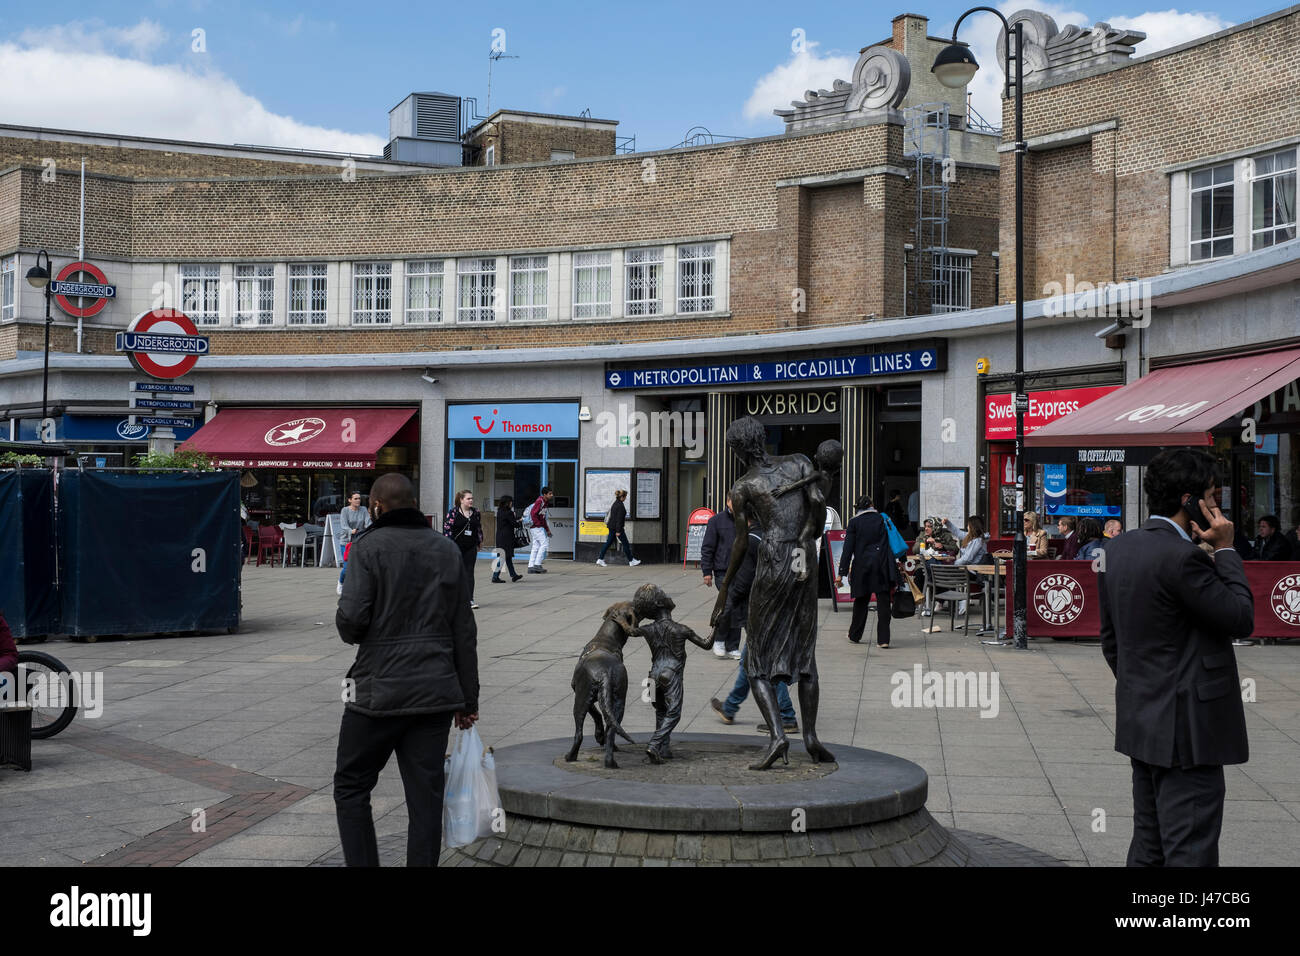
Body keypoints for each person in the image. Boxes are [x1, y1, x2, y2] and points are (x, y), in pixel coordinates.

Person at [1098, 448, 1252, 867]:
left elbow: (1111, 643)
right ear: (1190, 502)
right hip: (1189, 731)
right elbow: (1240, 617)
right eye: (1213, 496)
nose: (1218, 507)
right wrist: (1226, 551)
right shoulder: (1184, 558)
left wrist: (1146, 688)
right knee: (1189, 849)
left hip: (1142, 720)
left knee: (1149, 844)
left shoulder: (1119, 549)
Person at [333, 473, 479, 868]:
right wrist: (468, 699)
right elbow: (464, 631)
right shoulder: (446, 549)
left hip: (377, 692)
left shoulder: (367, 547)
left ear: (376, 507)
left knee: (351, 785)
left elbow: (352, 621)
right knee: (425, 796)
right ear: (414, 503)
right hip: (434, 693)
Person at [709, 517, 799, 732]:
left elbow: (744, 581)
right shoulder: (777, 539)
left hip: (761, 612)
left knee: (763, 665)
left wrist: (725, 607)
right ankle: (730, 708)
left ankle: (786, 716)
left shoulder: (750, 541)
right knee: (750, 662)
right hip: (778, 609)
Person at [837, 495, 903, 648]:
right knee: (884, 602)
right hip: (882, 564)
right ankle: (883, 639)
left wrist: (842, 572)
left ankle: (855, 635)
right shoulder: (882, 519)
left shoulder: (854, 522)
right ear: (872, 505)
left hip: (862, 566)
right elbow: (894, 539)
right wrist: (902, 560)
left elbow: (848, 549)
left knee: (861, 601)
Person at [700, 494, 741, 659]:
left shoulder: (746, 520)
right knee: (728, 605)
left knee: (737, 608)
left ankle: (732, 646)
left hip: (741, 571)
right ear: (728, 501)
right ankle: (719, 639)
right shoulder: (716, 521)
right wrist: (706, 572)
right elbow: (707, 547)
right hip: (722, 571)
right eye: (734, 500)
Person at [443, 490, 484, 609]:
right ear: (461, 500)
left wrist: (480, 541)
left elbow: (478, 528)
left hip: (471, 546)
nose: (471, 500)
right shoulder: (453, 513)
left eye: (472, 498)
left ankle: (469, 599)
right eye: (468, 498)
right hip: (456, 547)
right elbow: (447, 529)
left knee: (469, 572)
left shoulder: (475, 512)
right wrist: (448, 545)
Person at [953, 515, 989, 618]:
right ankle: (955, 601)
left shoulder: (977, 541)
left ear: (972, 527)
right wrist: (947, 523)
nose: (967, 527)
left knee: (948, 573)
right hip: (968, 569)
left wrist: (953, 564)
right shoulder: (970, 537)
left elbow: (967, 558)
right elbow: (957, 532)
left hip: (974, 571)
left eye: (968, 525)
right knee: (945, 574)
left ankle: (959, 600)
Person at [337, 490, 372, 595]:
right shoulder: (345, 510)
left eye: (359, 498)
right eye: (355, 498)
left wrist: (370, 528)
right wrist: (350, 531)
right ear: (349, 500)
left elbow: (368, 522)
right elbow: (343, 525)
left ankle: (358, 587)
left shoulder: (363, 509)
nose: (358, 500)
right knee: (347, 567)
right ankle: (340, 582)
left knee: (361, 565)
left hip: (359, 540)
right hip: (346, 542)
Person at [596, 489, 641, 568]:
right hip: (617, 528)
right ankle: (631, 561)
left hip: (612, 527)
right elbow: (619, 519)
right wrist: (618, 531)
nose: (626, 498)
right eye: (625, 496)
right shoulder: (620, 506)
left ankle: (600, 559)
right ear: (622, 497)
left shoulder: (615, 503)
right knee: (625, 544)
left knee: (608, 543)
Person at [491, 495, 524, 584]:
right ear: (507, 503)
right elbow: (514, 524)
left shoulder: (500, 512)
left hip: (500, 537)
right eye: (510, 502)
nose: (511, 503)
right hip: (507, 538)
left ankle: (513, 575)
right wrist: (520, 521)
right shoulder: (509, 513)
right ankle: (495, 576)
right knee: (503, 557)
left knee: (507, 557)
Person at [525, 486, 554, 573]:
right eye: (550, 494)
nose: (552, 495)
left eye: (552, 493)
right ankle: (537, 564)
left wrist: (547, 529)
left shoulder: (544, 502)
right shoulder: (539, 501)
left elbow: (543, 518)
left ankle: (531, 566)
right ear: (544, 494)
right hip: (536, 527)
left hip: (537, 527)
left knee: (536, 546)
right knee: (544, 544)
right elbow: (533, 514)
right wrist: (538, 525)